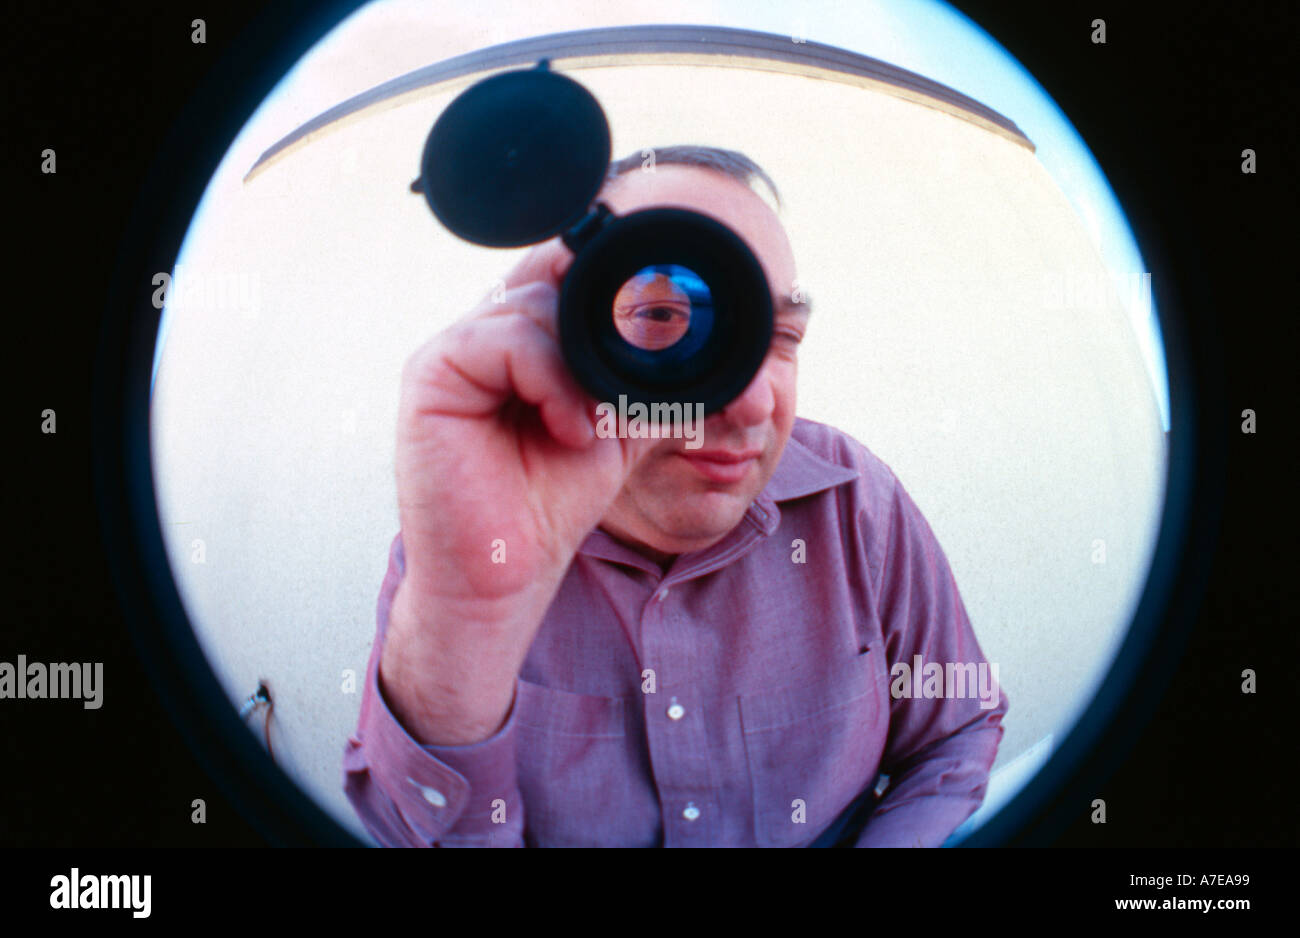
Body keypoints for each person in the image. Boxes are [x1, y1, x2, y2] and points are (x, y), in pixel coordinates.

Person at [343, 145, 1008, 847]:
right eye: (665, 318)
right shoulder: (461, 547)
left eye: (779, 335)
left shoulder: (856, 504)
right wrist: (467, 617)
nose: (753, 404)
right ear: (575, 336)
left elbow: (955, 732)